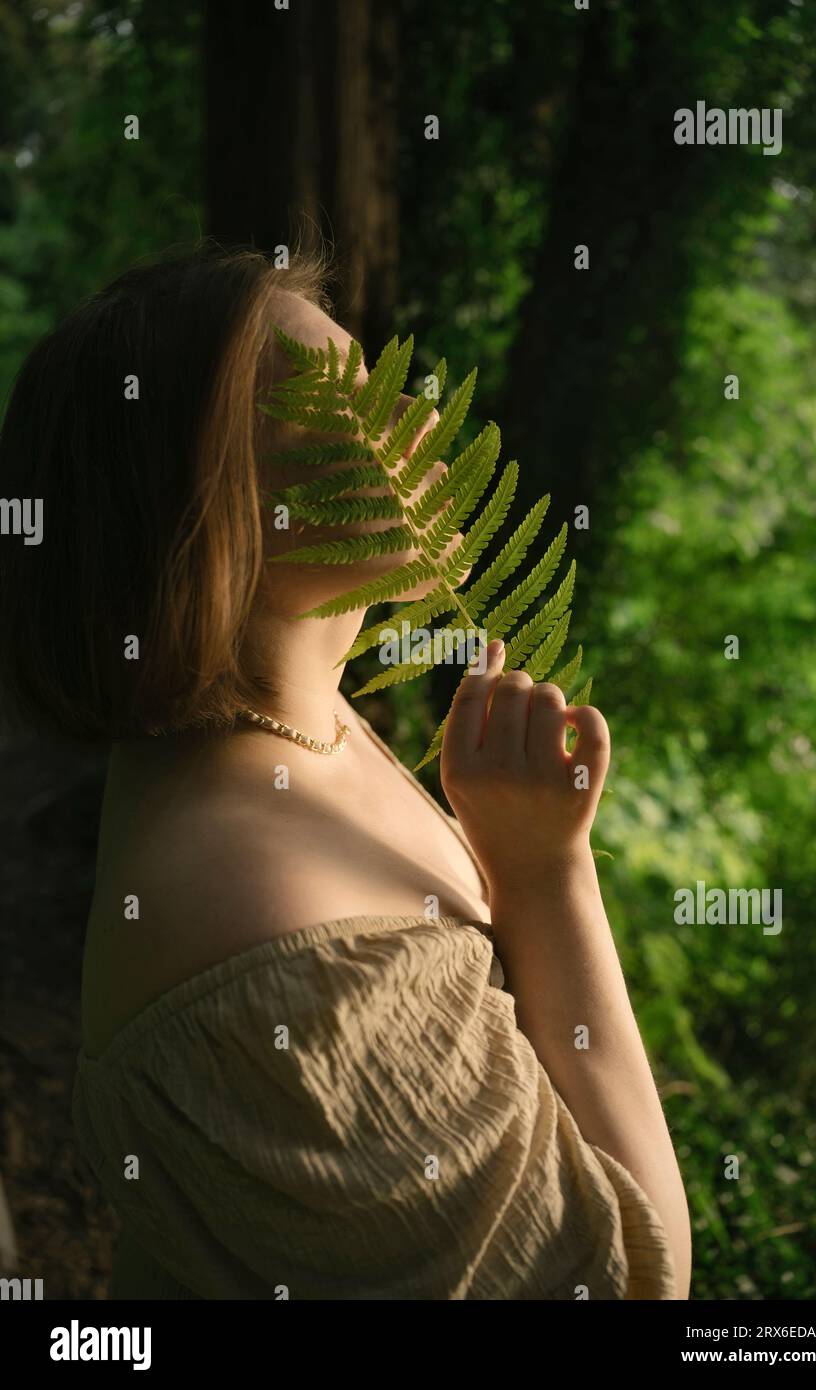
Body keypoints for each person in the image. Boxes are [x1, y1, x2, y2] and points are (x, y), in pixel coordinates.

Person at [0, 241, 690, 1299]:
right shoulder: (283, 932)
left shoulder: (300, 731)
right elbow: (625, 1279)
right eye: (337, 410)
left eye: (375, 383)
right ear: (210, 504)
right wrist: (550, 874)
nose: (416, 424)